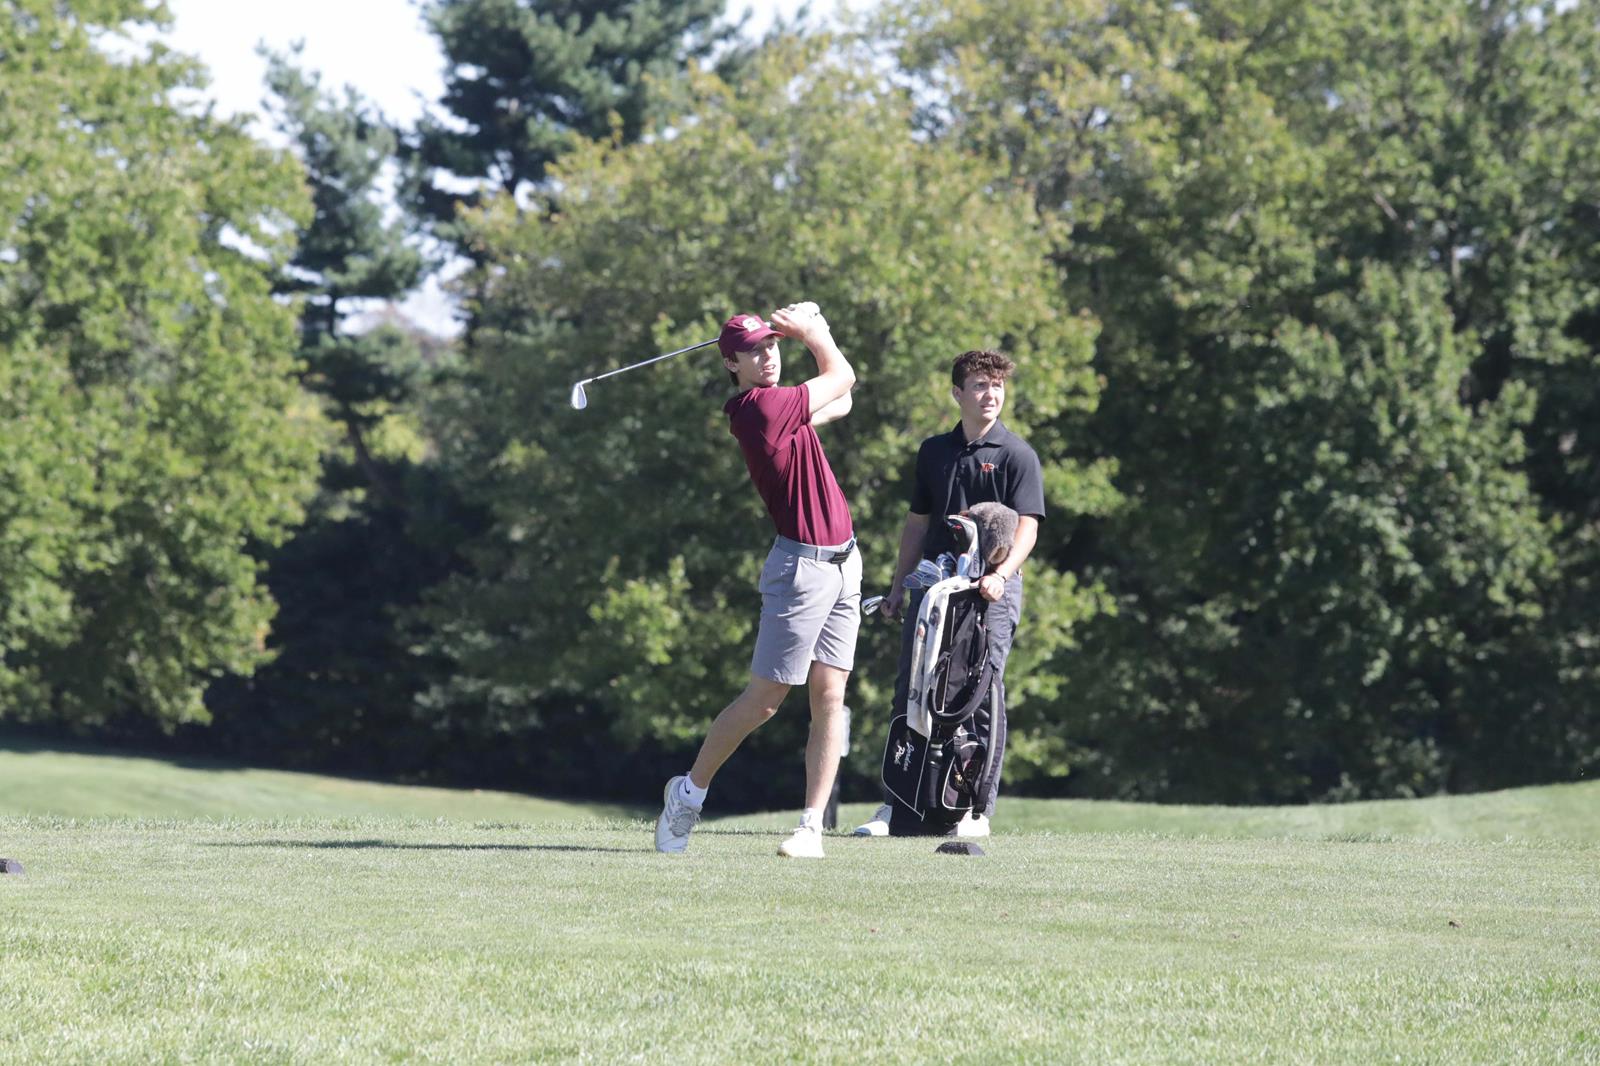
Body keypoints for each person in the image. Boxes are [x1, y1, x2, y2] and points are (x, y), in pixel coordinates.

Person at [655, 302, 861, 859]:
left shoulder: (783, 406)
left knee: (829, 695)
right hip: (802, 568)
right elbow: (843, 376)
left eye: (773, 346)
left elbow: (839, 398)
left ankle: (811, 827)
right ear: (732, 365)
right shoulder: (758, 410)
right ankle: (689, 792)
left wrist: (822, 339)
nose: (768, 357)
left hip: (845, 562)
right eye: (753, 352)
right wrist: (817, 331)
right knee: (766, 700)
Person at [854, 349, 1044, 839]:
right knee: (911, 689)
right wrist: (898, 587)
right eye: (980, 385)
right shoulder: (933, 451)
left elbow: (1027, 527)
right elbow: (917, 524)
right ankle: (900, 806)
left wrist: (1003, 573)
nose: (991, 394)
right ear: (957, 393)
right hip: (935, 588)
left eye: (997, 386)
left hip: (990, 590)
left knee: (982, 694)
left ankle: (973, 809)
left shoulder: (1016, 454)